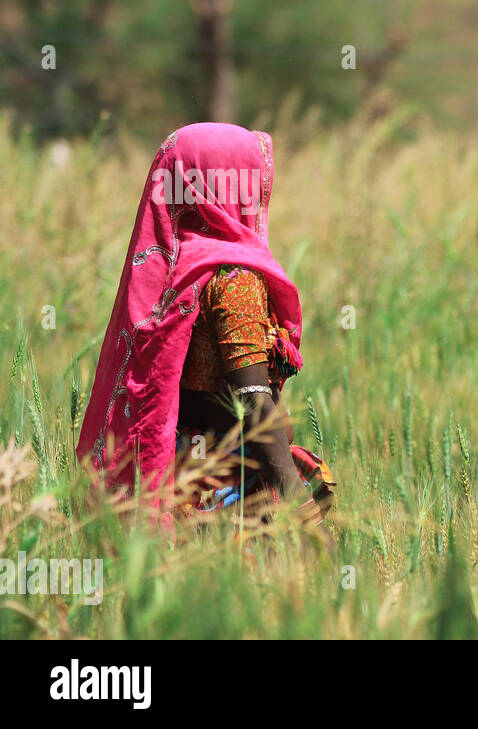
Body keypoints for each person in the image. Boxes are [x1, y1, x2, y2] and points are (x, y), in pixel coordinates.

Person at [76, 122, 334, 534]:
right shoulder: (234, 278)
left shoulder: (167, 269)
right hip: (230, 488)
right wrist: (304, 518)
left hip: (173, 473)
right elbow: (252, 403)